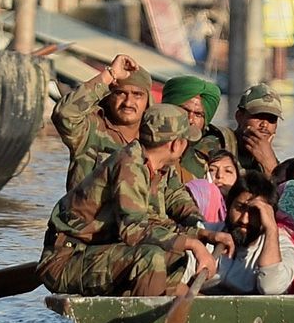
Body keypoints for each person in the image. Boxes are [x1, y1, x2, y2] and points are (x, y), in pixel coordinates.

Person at [36, 104, 233, 297]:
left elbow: (160, 217)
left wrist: (204, 233)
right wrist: (194, 244)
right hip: (68, 258)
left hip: (98, 252)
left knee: (175, 254)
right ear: (175, 144)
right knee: (151, 258)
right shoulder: (130, 167)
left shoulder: (159, 167)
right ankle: (145, 313)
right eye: (185, 141)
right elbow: (133, 230)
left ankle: (164, 299)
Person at [52, 54, 152, 191]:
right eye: (120, 93)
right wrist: (110, 74)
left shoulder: (154, 137)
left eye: (137, 95)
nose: (128, 102)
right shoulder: (90, 129)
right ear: (110, 97)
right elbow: (65, 114)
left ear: (148, 101)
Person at [203, 170, 294, 295]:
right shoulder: (207, 233)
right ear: (229, 206)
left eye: (254, 212)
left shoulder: (282, 246)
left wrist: (271, 229)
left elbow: (271, 288)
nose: (244, 219)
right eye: (239, 208)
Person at [161, 75, 234, 182]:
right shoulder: (146, 149)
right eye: (185, 111)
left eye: (198, 115)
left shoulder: (210, 158)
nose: (190, 120)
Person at [233, 83, 284, 174]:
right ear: (239, 116)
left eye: (271, 119)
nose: (264, 125)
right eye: (258, 116)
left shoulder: (269, 157)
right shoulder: (220, 145)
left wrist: (269, 164)